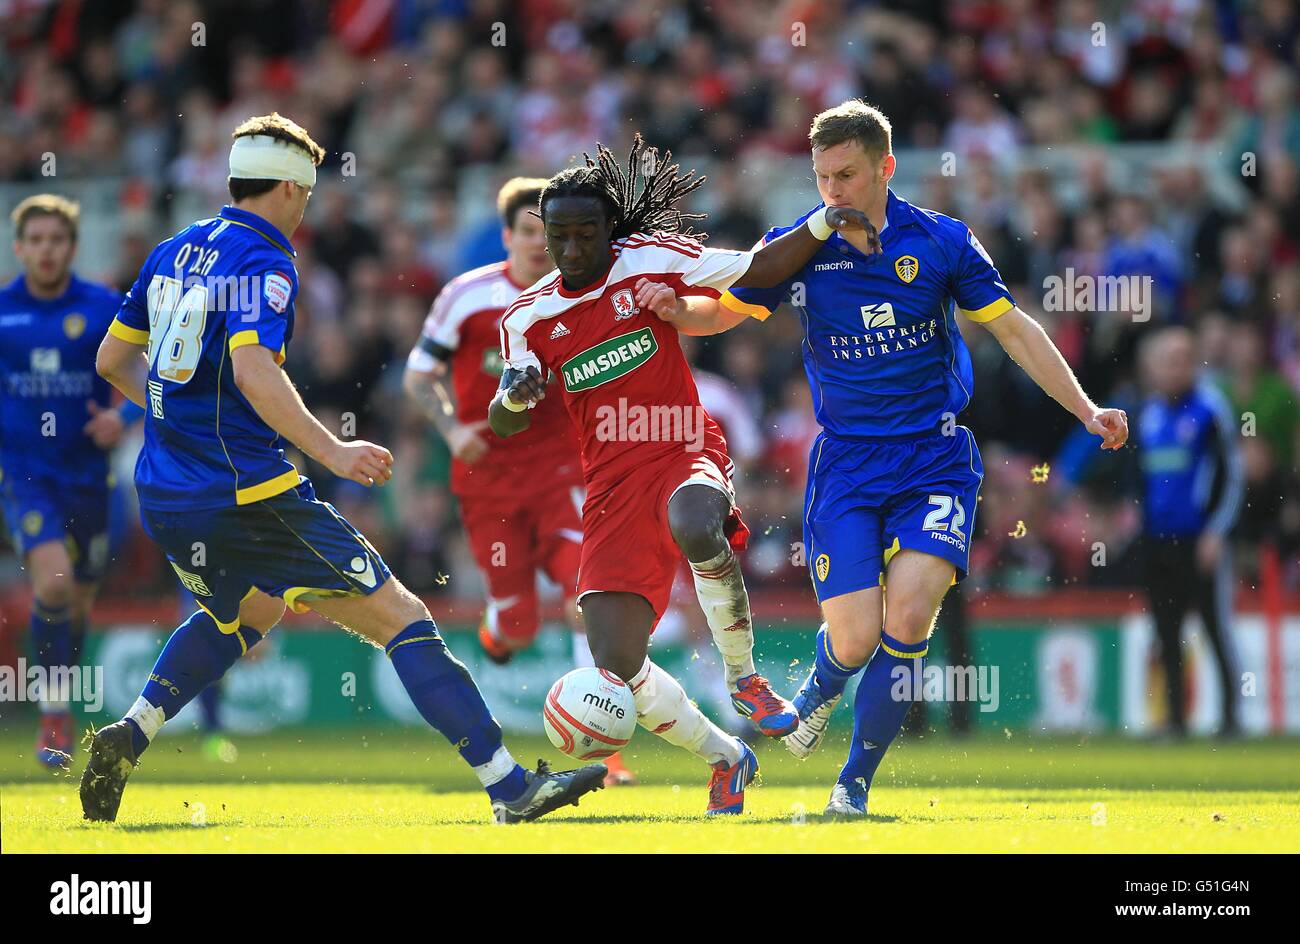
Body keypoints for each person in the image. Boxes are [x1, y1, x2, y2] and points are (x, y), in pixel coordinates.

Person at [84, 113, 606, 824]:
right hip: (248, 490)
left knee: (245, 612)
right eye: (308, 190)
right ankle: (509, 786)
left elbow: (113, 362)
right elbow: (252, 369)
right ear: (292, 189)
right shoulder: (266, 259)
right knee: (403, 618)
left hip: (166, 490)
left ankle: (134, 727)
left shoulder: (173, 249)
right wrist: (334, 451)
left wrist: (172, 410)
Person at [644, 100, 1128, 815]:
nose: (832, 193)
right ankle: (820, 686)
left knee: (908, 618)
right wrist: (680, 311)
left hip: (933, 458)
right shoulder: (799, 247)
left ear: (885, 168)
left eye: (846, 175)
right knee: (857, 634)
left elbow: (1015, 331)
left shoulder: (940, 241)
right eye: (821, 177)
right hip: (845, 463)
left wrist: (1086, 409)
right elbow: (728, 309)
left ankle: (854, 785)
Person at [489, 134, 877, 814]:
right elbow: (504, 423)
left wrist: (821, 223)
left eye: (587, 234)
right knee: (617, 671)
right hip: (608, 487)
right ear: (544, 237)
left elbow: (755, 268)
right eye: (559, 237)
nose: (574, 250)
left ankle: (744, 677)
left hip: (680, 444)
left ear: (611, 229)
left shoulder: (651, 261)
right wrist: (512, 396)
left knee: (696, 525)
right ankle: (728, 758)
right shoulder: (527, 318)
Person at [403, 177, 633, 785]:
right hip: (488, 481)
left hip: (565, 472)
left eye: (549, 233)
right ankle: (500, 632)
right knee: (519, 623)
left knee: (590, 593)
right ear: (507, 236)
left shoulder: (582, 296)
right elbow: (419, 373)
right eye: (529, 232)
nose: (540, 244)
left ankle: (604, 751)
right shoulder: (468, 296)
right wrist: (452, 431)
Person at [0, 194, 142, 766]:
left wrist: (122, 417)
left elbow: (149, 376)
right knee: (54, 584)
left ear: (73, 247)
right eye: (35, 240)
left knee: (78, 601)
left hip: (88, 478)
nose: (45, 250)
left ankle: (62, 700)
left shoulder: (104, 305)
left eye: (56, 240)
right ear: (19, 248)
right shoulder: (3, 312)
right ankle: (52, 716)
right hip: (27, 476)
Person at [1136, 326, 1244, 736]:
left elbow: (1230, 476)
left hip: (1201, 540)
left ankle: (1231, 719)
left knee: (1216, 628)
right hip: (1159, 540)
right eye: (1167, 359)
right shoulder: (1149, 414)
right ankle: (1176, 720)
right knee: (1167, 632)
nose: (1174, 367)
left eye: (1182, 358)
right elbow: (1140, 478)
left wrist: (1217, 531)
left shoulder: (1211, 410)